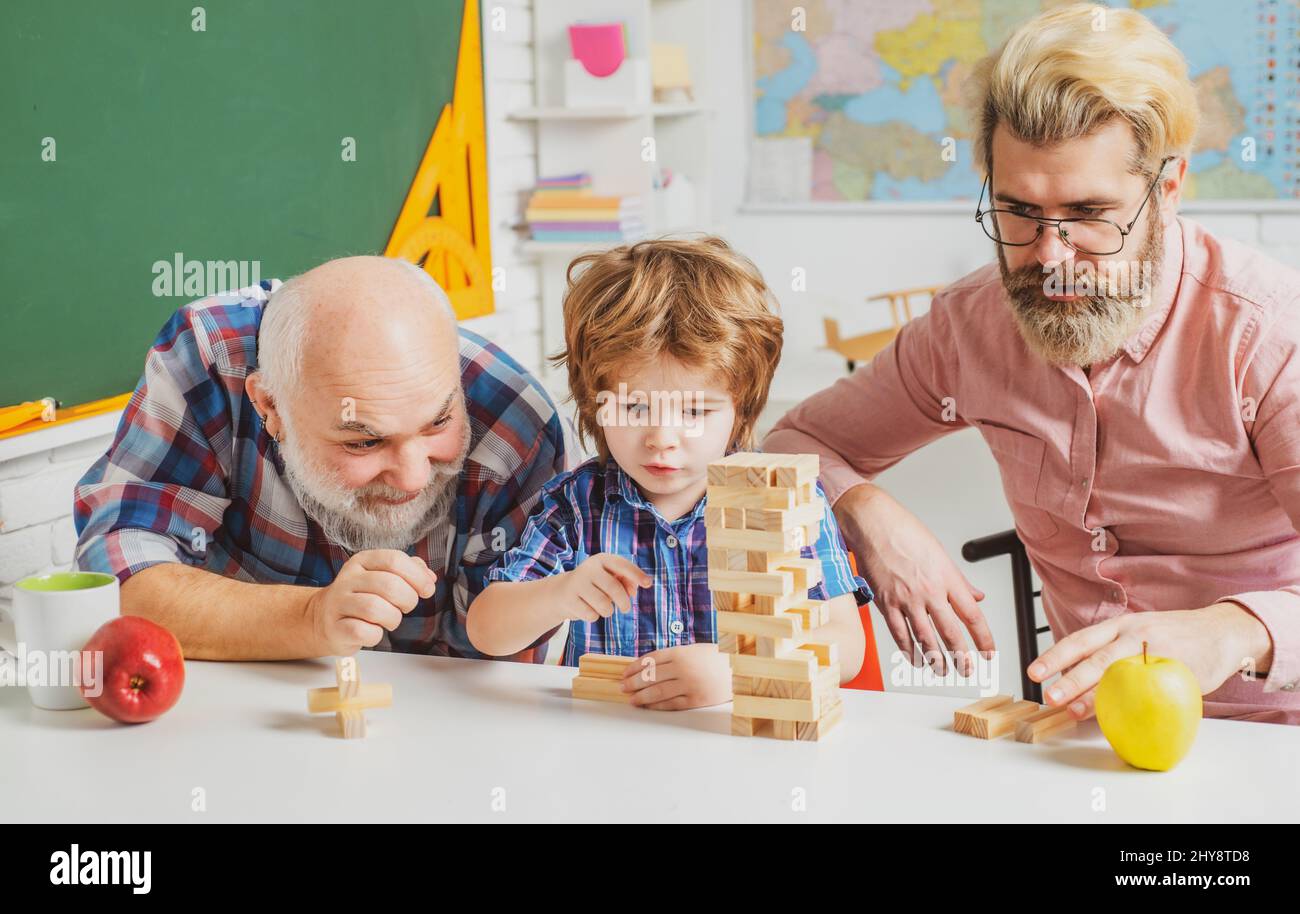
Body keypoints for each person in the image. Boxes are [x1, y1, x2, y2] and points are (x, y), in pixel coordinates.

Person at [765, 3, 1299, 723]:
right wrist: (867, 514)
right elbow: (793, 444)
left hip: (1272, 738)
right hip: (1080, 738)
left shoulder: (1264, 334)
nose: (1049, 258)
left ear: (1167, 189)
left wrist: (1233, 631)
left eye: (1087, 214)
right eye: (1019, 211)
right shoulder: (968, 327)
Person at [74, 256, 570, 661]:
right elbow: (116, 580)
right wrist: (310, 617)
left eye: (438, 423)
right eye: (364, 442)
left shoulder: (517, 424)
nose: (414, 477)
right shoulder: (208, 362)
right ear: (269, 405)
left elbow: (509, 670)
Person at [468, 237, 871, 708]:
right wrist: (558, 594)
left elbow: (847, 646)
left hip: (739, 744)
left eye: (696, 410)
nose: (662, 436)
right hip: (609, 746)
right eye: (635, 406)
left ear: (740, 411)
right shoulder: (575, 503)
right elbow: (486, 631)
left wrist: (741, 670)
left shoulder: (783, 500)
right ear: (595, 405)